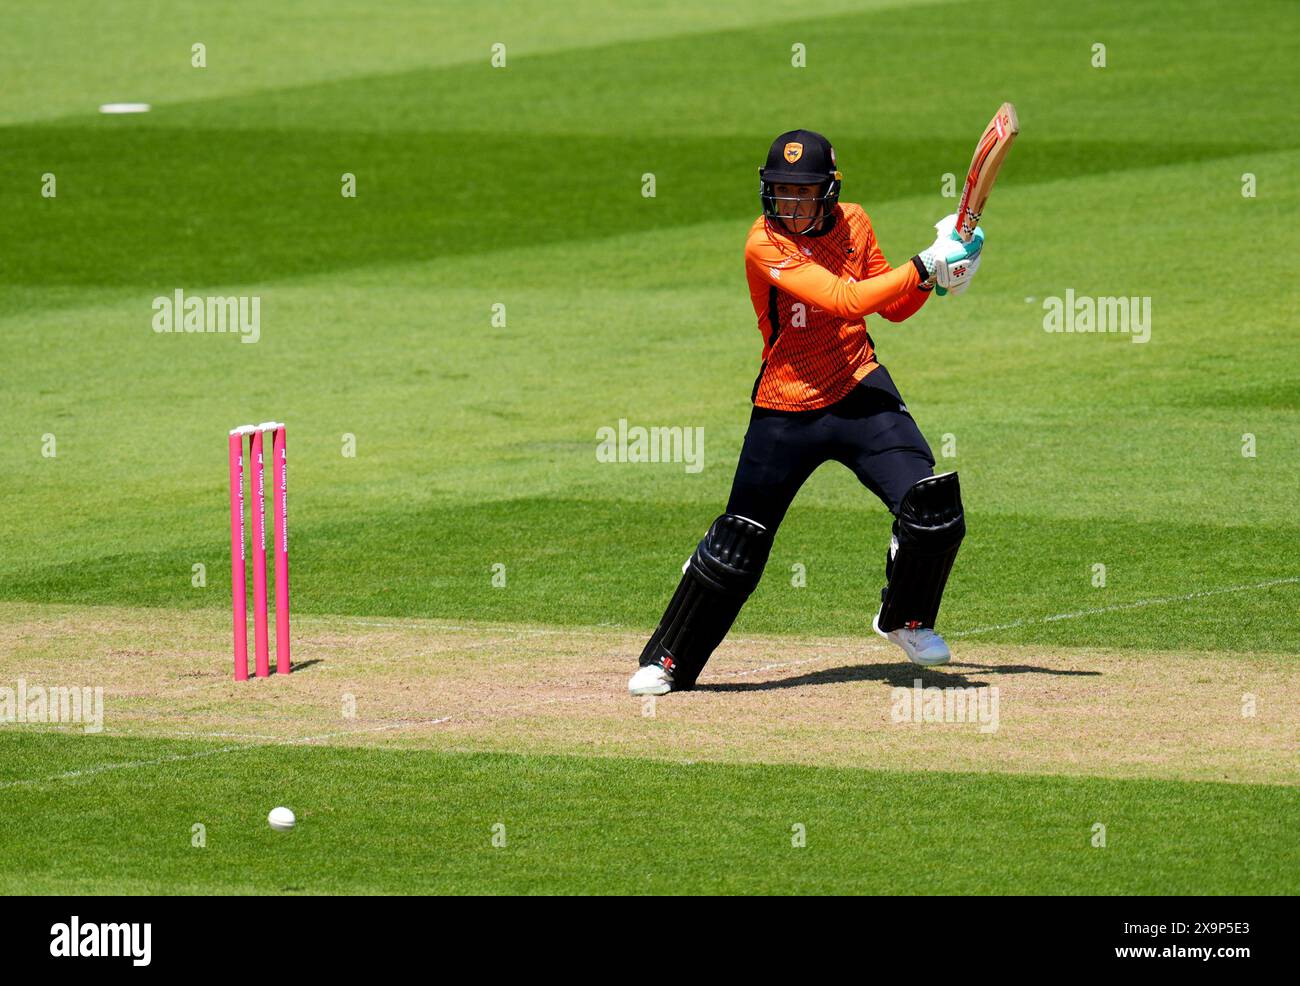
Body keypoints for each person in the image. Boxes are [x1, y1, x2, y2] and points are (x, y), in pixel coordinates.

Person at [628, 129, 982, 696]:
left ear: (829, 191)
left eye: (803, 191)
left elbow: (889, 306)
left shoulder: (855, 223)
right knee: (738, 543)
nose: (790, 204)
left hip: (858, 388)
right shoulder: (764, 244)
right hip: (785, 407)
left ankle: (906, 619)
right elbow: (844, 300)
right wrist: (927, 261)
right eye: (781, 191)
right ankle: (671, 660)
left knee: (932, 507)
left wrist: (942, 276)